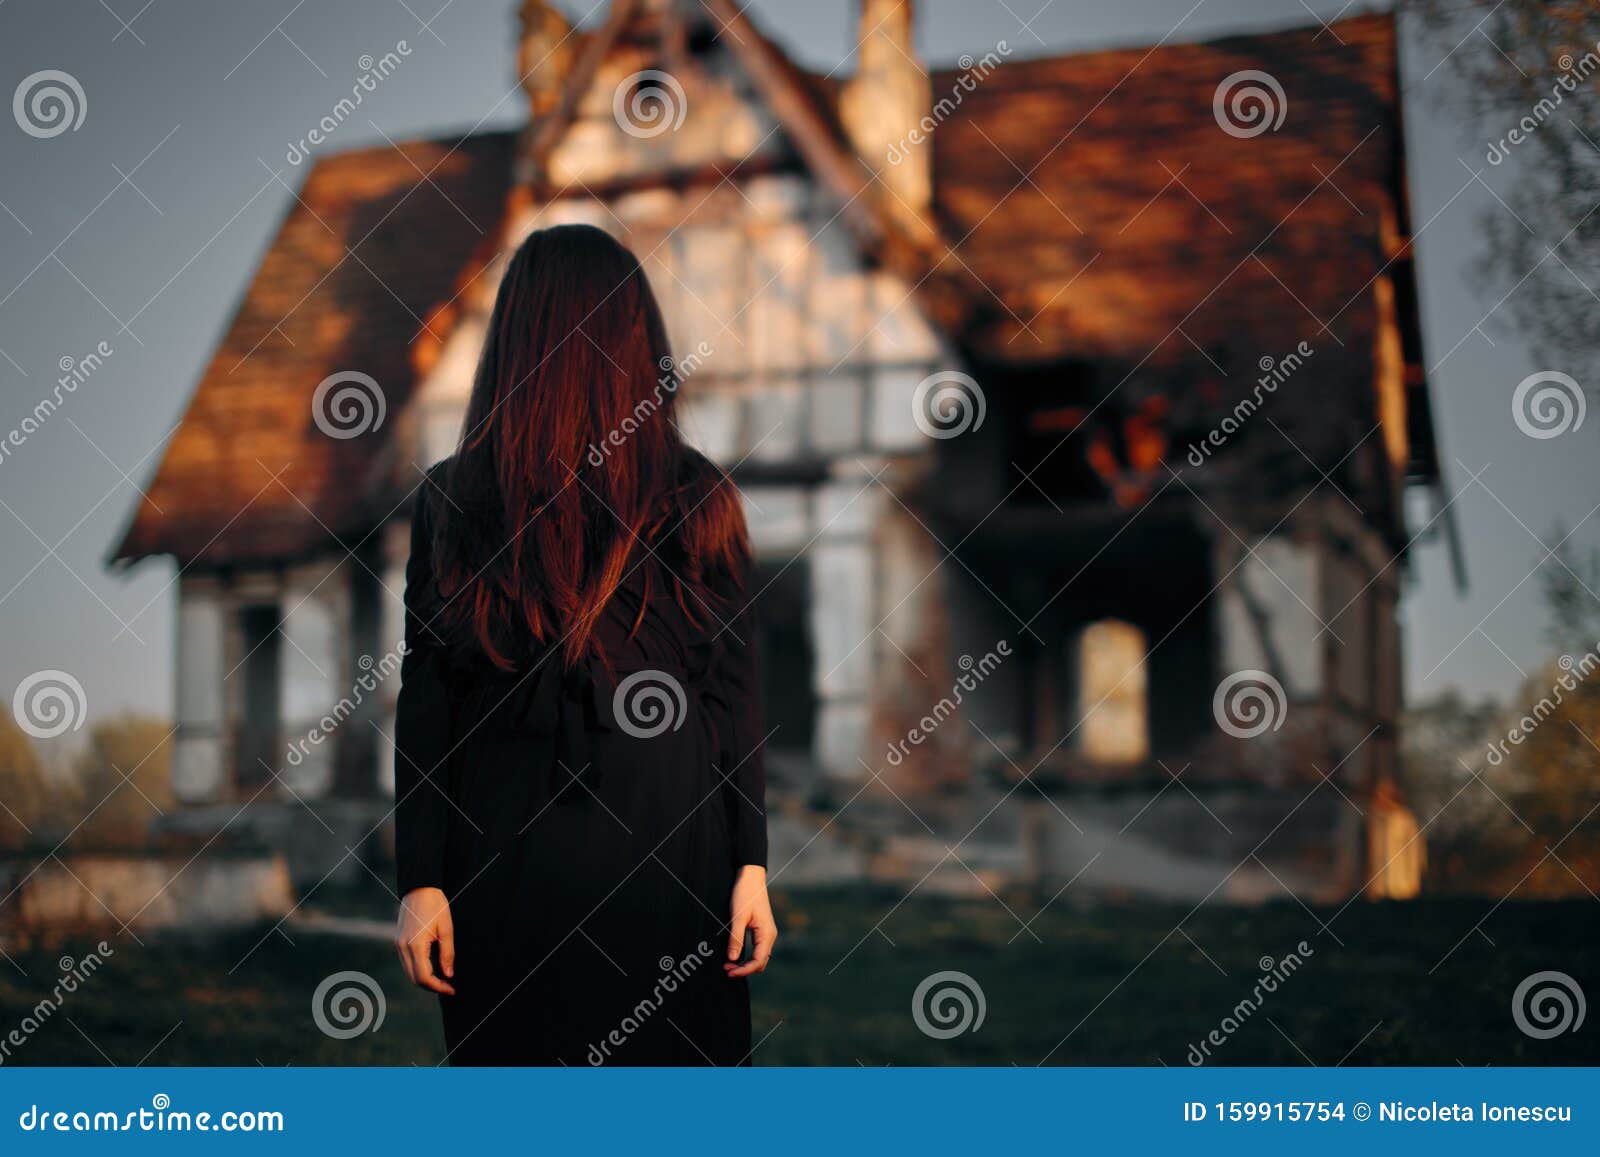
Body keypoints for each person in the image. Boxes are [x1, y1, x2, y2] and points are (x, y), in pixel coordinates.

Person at [391, 223, 775, 1065]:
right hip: (659, 841)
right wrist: (750, 862)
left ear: (514, 335)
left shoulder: (686, 496)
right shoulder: (695, 491)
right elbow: (730, 696)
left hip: (523, 849)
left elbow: (429, 697)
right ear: (635, 333)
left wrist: (420, 878)